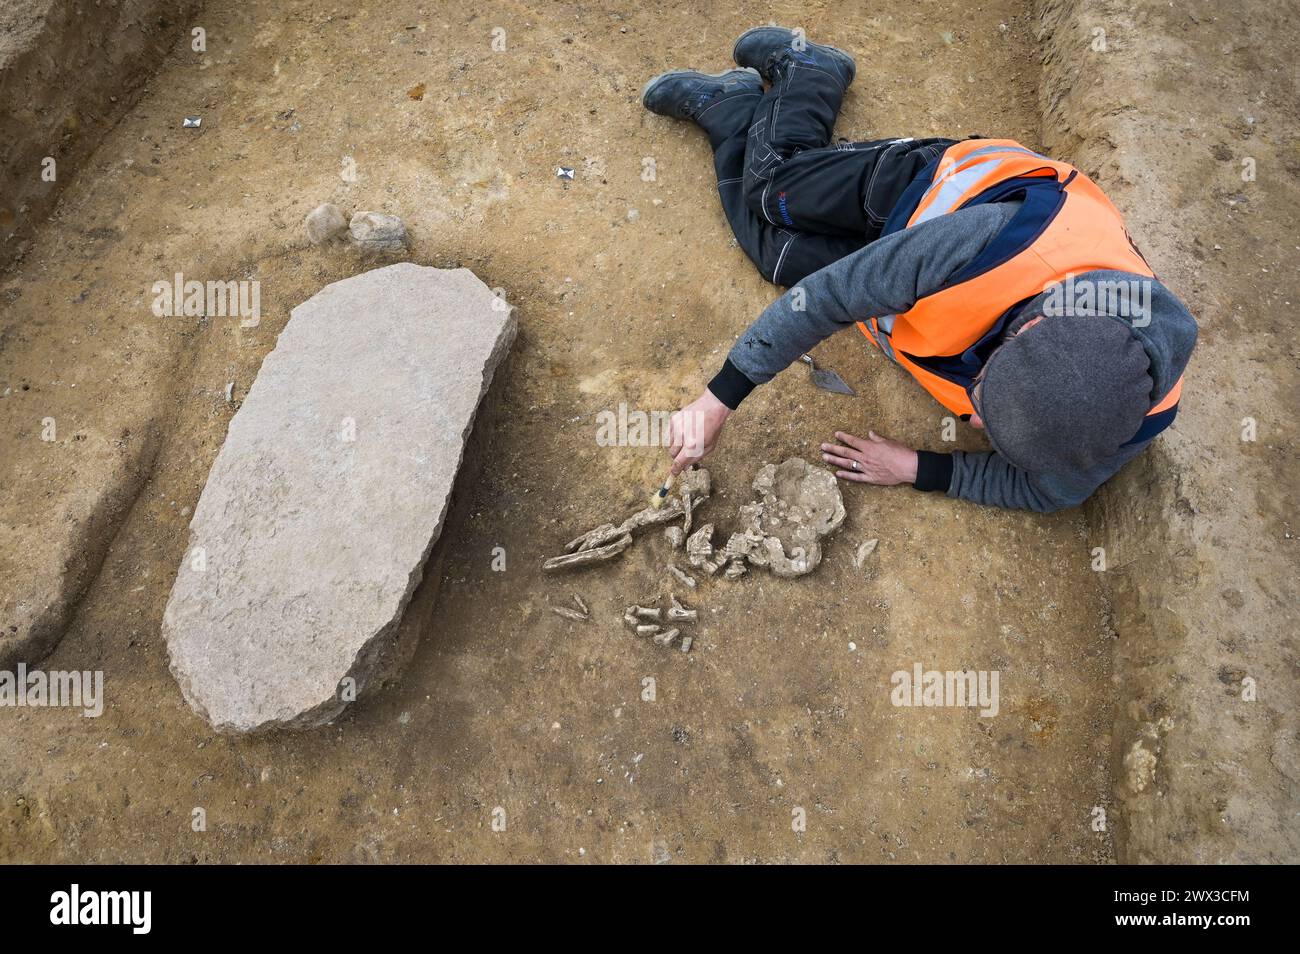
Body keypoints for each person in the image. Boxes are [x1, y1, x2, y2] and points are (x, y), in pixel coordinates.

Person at [641, 26, 1197, 512]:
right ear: (1029, 328)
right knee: (771, 197)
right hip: (920, 193)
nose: (974, 425)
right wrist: (718, 400)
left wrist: (916, 468)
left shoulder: (1129, 419)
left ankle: (732, 110)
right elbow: (830, 296)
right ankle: (812, 71)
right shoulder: (998, 244)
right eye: (983, 398)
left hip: (914, 275)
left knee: (773, 252)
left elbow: (1050, 491)